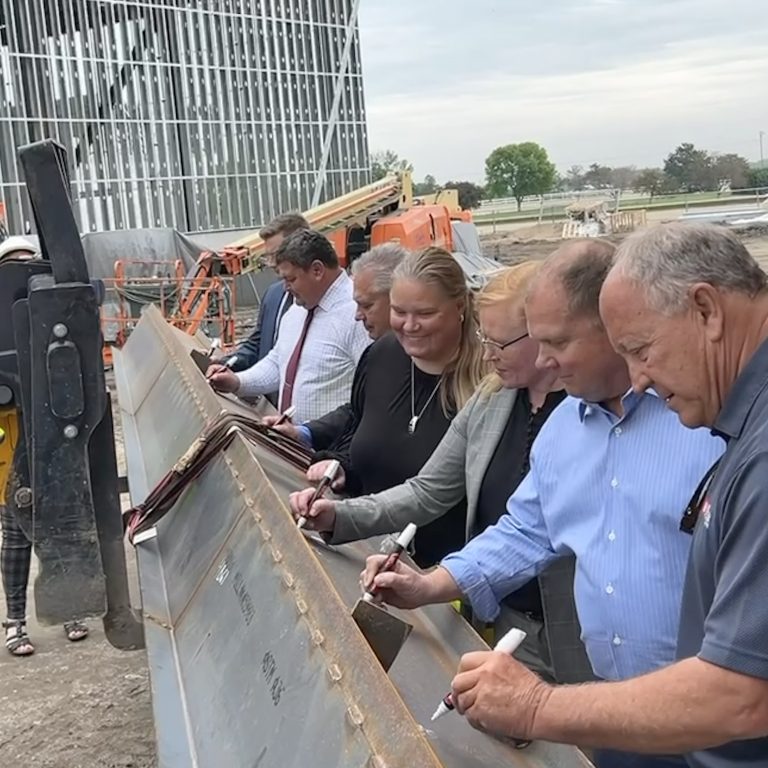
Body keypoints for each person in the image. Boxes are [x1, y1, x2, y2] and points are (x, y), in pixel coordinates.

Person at [360, 239, 725, 768]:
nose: (545, 361)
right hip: (618, 717)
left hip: (722, 719)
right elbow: (526, 531)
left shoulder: (708, 420)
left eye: (556, 341)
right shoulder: (563, 431)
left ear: (611, 327)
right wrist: (427, 586)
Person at [445, 223, 768, 768]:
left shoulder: (757, 451)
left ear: (707, 310)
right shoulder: (738, 420)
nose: (638, 381)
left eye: (641, 350)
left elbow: (742, 696)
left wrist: (534, 706)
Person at [291, 262, 590, 683]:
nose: (488, 354)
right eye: (485, 340)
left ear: (545, 335)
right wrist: (341, 517)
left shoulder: (588, 410)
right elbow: (429, 490)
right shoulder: (493, 398)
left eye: (501, 343)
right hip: (498, 617)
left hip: (575, 636)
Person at [300, 246, 486, 566]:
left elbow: (436, 493)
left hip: (445, 579)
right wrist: (341, 466)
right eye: (399, 312)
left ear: (459, 307)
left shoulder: (487, 384)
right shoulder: (381, 356)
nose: (409, 326)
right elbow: (358, 430)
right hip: (368, 557)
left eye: (425, 314)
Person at [1, 237, 88, 656]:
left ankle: (70, 606)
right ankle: (15, 621)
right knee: (15, 528)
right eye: (13, 266)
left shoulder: (53, 316)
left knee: (59, 522)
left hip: (51, 429)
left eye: (28, 264)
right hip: (9, 432)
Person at [208, 229, 371, 422]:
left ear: (317, 270)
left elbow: (373, 395)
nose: (285, 288)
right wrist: (237, 382)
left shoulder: (358, 315)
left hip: (334, 449)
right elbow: (278, 363)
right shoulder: (297, 310)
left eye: (291, 279)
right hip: (294, 444)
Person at [267, 242, 409, 451]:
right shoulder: (379, 353)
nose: (357, 315)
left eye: (367, 305)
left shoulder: (436, 369)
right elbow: (359, 412)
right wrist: (305, 433)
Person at [215, 212, 310, 374]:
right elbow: (257, 344)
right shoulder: (273, 295)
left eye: (276, 255)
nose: (271, 263)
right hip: (271, 395)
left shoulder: (322, 303)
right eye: (267, 256)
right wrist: (225, 364)